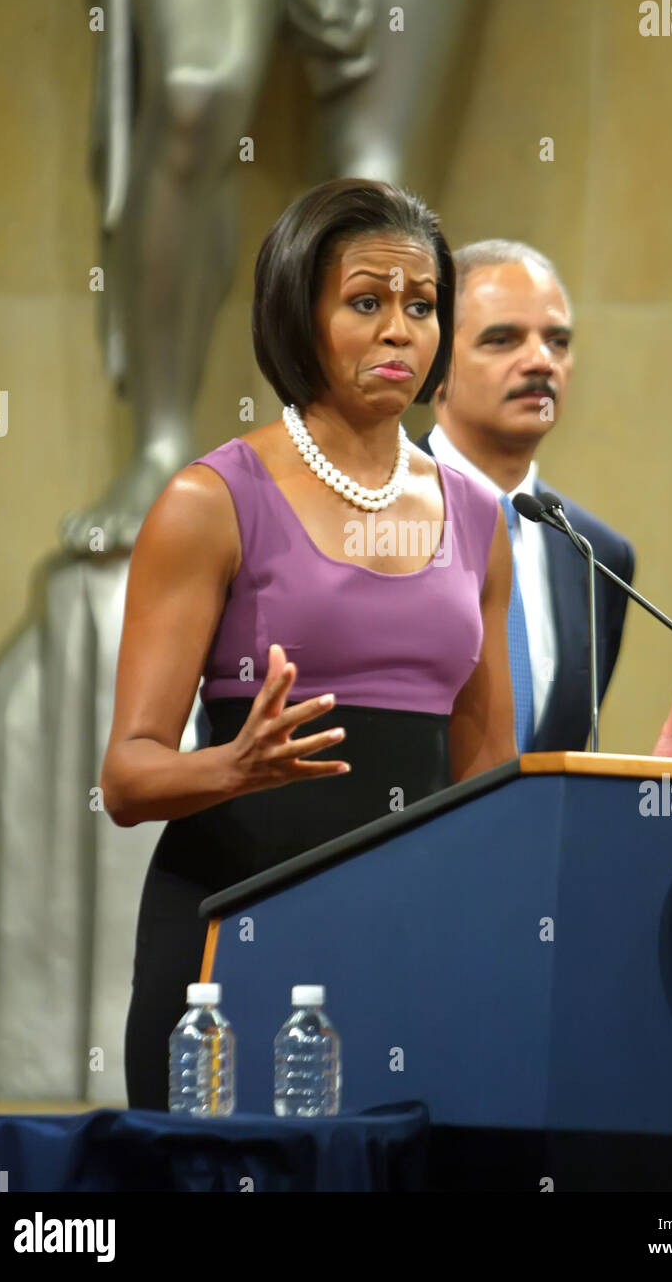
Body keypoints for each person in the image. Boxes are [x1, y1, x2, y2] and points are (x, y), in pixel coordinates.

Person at [101, 178, 517, 1111]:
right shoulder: (211, 502)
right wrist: (232, 766)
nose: (399, 330)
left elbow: (490, 777)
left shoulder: (479, 519)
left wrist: (628, 780)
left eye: (421, 306)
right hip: (233, 940)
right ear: (300, 313)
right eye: (365, 302)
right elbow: (127, 779)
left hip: (408, 948)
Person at [419, 239, 672, 764]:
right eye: (502, 340)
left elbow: (554, 772)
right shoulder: (377, 511)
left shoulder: (596, 555)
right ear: (435, 367)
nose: (540, 361)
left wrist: (645, 788)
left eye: (558, 342)